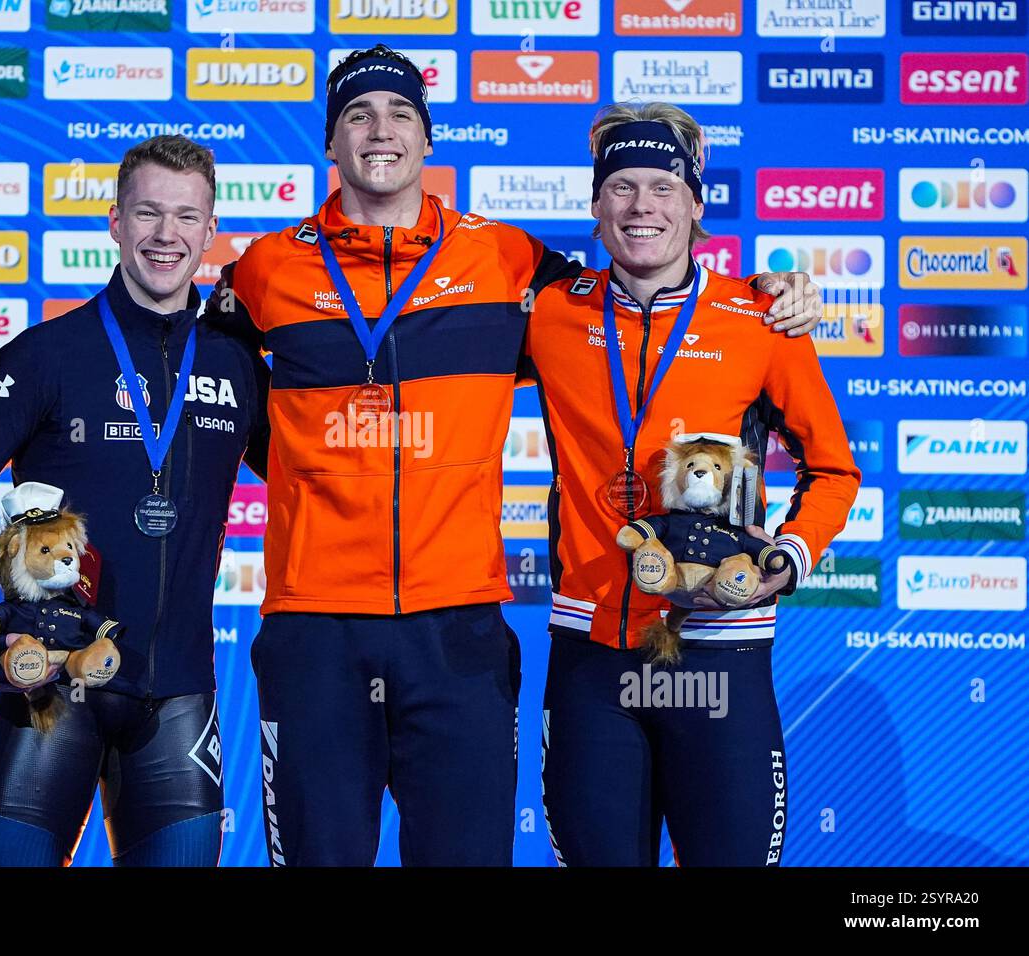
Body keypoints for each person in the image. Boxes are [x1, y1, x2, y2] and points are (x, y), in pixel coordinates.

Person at [208, 46, 825, 866]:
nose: (380, 131)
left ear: (429, 141)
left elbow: (643, 307)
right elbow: (204, 383)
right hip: (316, 624)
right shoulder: (264, 268)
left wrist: (776, 290)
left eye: (400, 115)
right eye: (358, 115)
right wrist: (285, 461)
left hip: (463, 626)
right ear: (330, 142)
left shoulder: (508, 263)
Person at [0, 135, 270, 867]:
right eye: (147, 214)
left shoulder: (238, 367)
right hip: (47, 696)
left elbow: (320, 481)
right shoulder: (48, 354)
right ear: (115, 222)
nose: (165, 235)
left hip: (178, 703)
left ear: (211, 230)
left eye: (185, 217)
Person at [523, 102, 861, 866]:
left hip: (719, 655)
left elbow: (834, 469)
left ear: (697, 203)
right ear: (594, 205)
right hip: (592, 656)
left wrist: (785, 560)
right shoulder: (548, 313)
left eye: (664, 188)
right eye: (622, 187)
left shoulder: (759, 318)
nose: (643, 206)